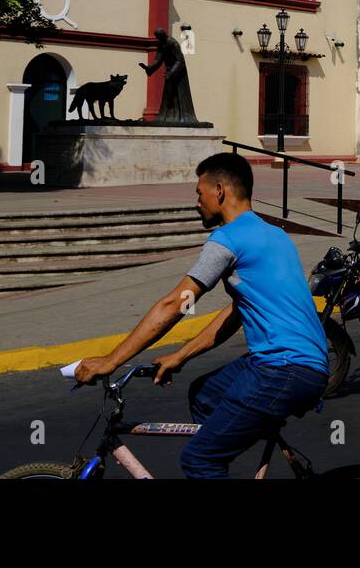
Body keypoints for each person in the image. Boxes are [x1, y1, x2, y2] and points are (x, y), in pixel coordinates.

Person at [74, 152, 327, 478]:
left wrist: (111, 361)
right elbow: (236, 312)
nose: (197, 202)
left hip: (281, 370)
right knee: (205, 395)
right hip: (304, 366)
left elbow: (174, 304)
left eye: (199, 193)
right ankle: (235, 435)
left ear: (219, 191)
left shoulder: (227, 239)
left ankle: (217, 458)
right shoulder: (274, 234)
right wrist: (181, 355)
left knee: (199, 460)